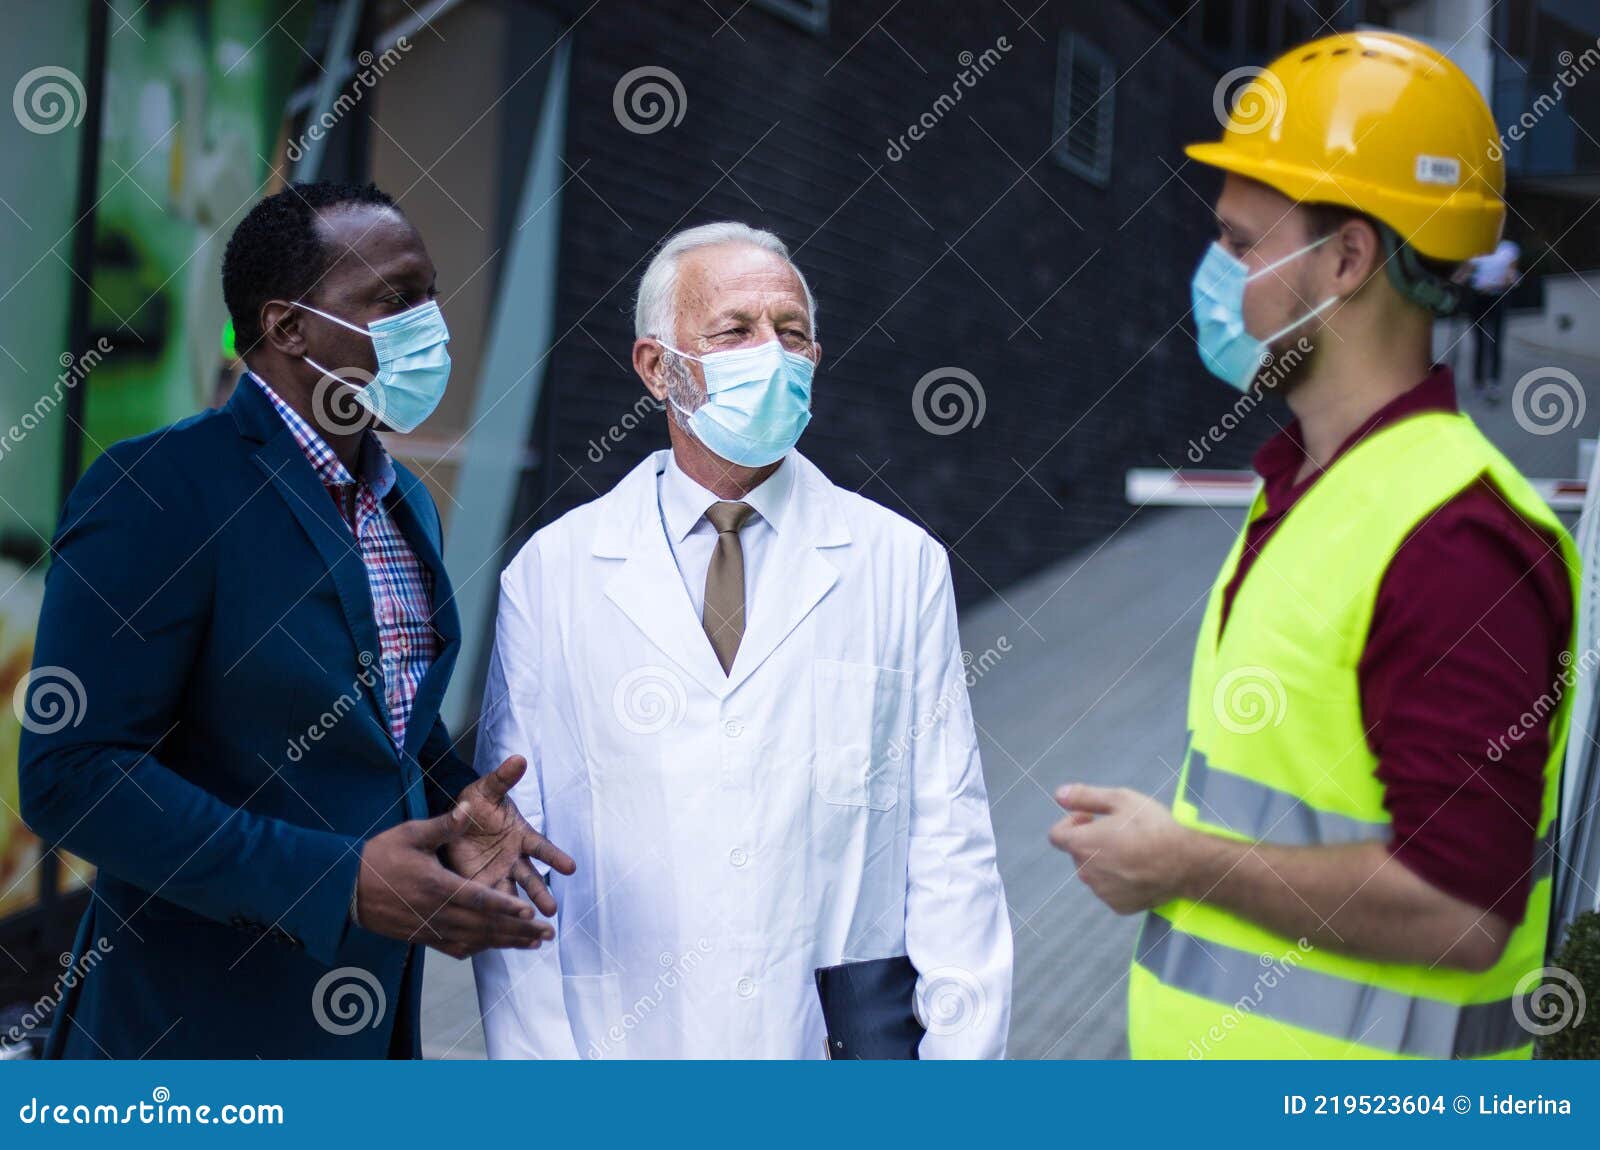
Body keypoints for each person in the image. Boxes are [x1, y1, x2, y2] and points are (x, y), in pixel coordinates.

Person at [1047, 32, 1577, 1060]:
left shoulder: (1457, 538)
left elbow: (1461, 912)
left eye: (1243, 246)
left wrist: (1181, 863)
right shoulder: (1305, 482)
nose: (1218, 278)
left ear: (1345, 259)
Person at [19, 181, 573, 1058]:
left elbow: (383, 730)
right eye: (393, 300)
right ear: (286, 329)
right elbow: (73, 776)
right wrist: (335, 883)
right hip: (190, 1041)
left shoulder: (405, 505)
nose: (428, 323)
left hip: (367, 1031)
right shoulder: (162, 489)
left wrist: (457, 799)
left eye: (429, 294)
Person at [472, 222, 1012, 1058]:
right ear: (658, 368)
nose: (774, 352)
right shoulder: (553, 573)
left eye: (791, 332)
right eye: (736, 331)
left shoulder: (900, 564)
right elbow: (519, 849)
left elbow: (949, 841)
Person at [1464, 238, 1521, 401]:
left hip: (1498, 298)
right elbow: (1467, 272)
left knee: (1496, 341)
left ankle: (1494, 382)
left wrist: (1506, 280)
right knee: (1479, 342)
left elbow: (1511, 273)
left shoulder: (1509, 248)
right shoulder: (1475, 248)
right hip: (1478, 299)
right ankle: (1478, 382)